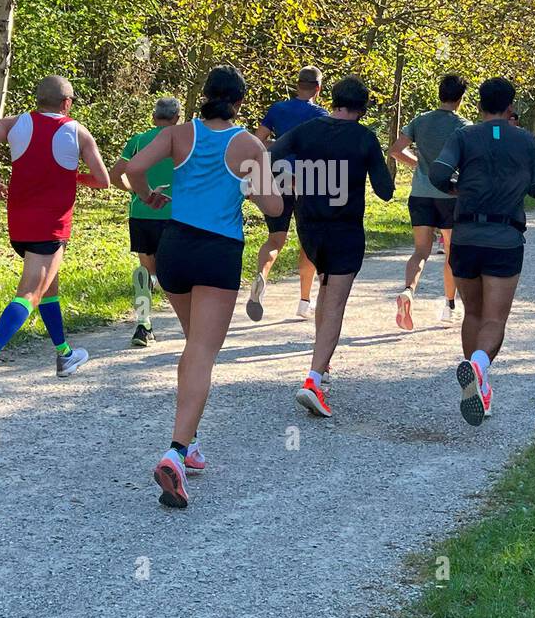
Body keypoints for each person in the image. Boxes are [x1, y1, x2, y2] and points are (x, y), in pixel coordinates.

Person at [124, 66, 282, 509]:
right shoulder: (248, 143)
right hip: (217, 252)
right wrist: (249, 187)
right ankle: (174, 451)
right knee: (203, 353)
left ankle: (189, 444)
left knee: (194, 346)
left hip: (174, 247)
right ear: (238, 103)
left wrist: (149, 194)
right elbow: (274, 205)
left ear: (205, 97)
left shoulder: (178, 134)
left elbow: (132, 169)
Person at [0, 75, 110, 406]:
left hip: (20, 224)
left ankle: (64, 354)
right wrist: (75, 176)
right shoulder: (78, 131)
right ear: (67, 103)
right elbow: (103, 180)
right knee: (30, 292)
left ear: (37, 100)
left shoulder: (15, 124)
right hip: (51, 226)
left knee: (48, 288)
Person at [431, 78, 535, 426]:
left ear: (479, 104)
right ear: (510, 105)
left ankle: (478, 388)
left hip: (466, 234)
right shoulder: (526, 141)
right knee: (495, 319)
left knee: (473, 313)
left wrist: (458, 189)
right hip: (504, 236)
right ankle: (479, 367)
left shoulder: (463, 136)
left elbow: (439, 173)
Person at [269, 76, 395, 417]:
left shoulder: (307, 130)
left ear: (334, 99)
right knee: (335, 300)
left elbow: (272, 153)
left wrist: (291, 180)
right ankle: (312, 380)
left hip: (309, 225)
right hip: (344, 227)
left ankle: (320, 369)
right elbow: (385, 191)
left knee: (325, 288)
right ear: (363, 107)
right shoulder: (366, 138)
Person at [387, 73, 468, 330]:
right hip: (450, 195)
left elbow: (396, 149)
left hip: (420, 193)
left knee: (421, 251)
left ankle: (409, 291)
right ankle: (449, 306)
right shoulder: (464, 126)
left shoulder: (420, 120)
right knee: (451, 252)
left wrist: (420, 165)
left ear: (439, 93)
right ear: (461, 98)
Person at [246, 66, 327, 321]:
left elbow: (257, 142)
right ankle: (304, 302)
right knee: (307, 243)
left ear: (297, 85)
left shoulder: (277, 110)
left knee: (275, 240)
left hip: (276, 179)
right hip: (306, 182)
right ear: (318, 88)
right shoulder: (321, 116)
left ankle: (261, 275)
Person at [109, 97, 181, 347]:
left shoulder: (138, 140)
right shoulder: (182, 140)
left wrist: (137, 192)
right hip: (174, 213)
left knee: (147, 268)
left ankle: (144, 324)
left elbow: (115, 175)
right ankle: (192, 326)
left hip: (142, 212)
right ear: (177, 118)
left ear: (153, 117)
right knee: (175, 269)